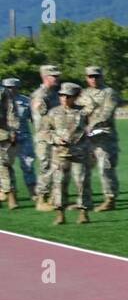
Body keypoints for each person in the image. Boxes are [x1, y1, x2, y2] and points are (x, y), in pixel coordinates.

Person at [45, 82, 93, 225]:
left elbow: (92, 126)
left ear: (75, 97)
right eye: (62, 95)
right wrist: (56, 139)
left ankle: (83, 212)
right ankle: (60, 213)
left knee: (82, 182)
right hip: (59, 154)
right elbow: (45, 131)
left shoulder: (83, 112)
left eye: (69, 96)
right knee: (59, 184)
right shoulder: (53, 112)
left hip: (79, 153)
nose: (65, 98)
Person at [79, 66, 120, 211]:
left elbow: (107, 113)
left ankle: (110, 198)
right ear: (86, 78)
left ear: (102, 77)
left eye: (96, 76)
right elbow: (78, 112)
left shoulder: (109, 92)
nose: (94, 79)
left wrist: (92, 124)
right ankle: (84, 200)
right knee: (83, 170)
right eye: (90, 76)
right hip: (86, 139)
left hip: (104, 138)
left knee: (105, 168)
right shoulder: (83, 94)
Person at [30, 65, 61, 210]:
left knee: (56, 168)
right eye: (53, 76)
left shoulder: (55, 94)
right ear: (45, 77)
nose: (57, 78)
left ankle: (54, 198)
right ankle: (41, 199)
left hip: (55, 137)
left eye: (57, 75)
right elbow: (42, 120)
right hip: (45, 138)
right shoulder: (40, 95)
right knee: (46, 167)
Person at [0, 80, 19, 209]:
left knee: (4, 164)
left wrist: (12, 130)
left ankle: (11, 195)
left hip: (2, 132)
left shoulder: (2, 91)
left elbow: (11, 111)